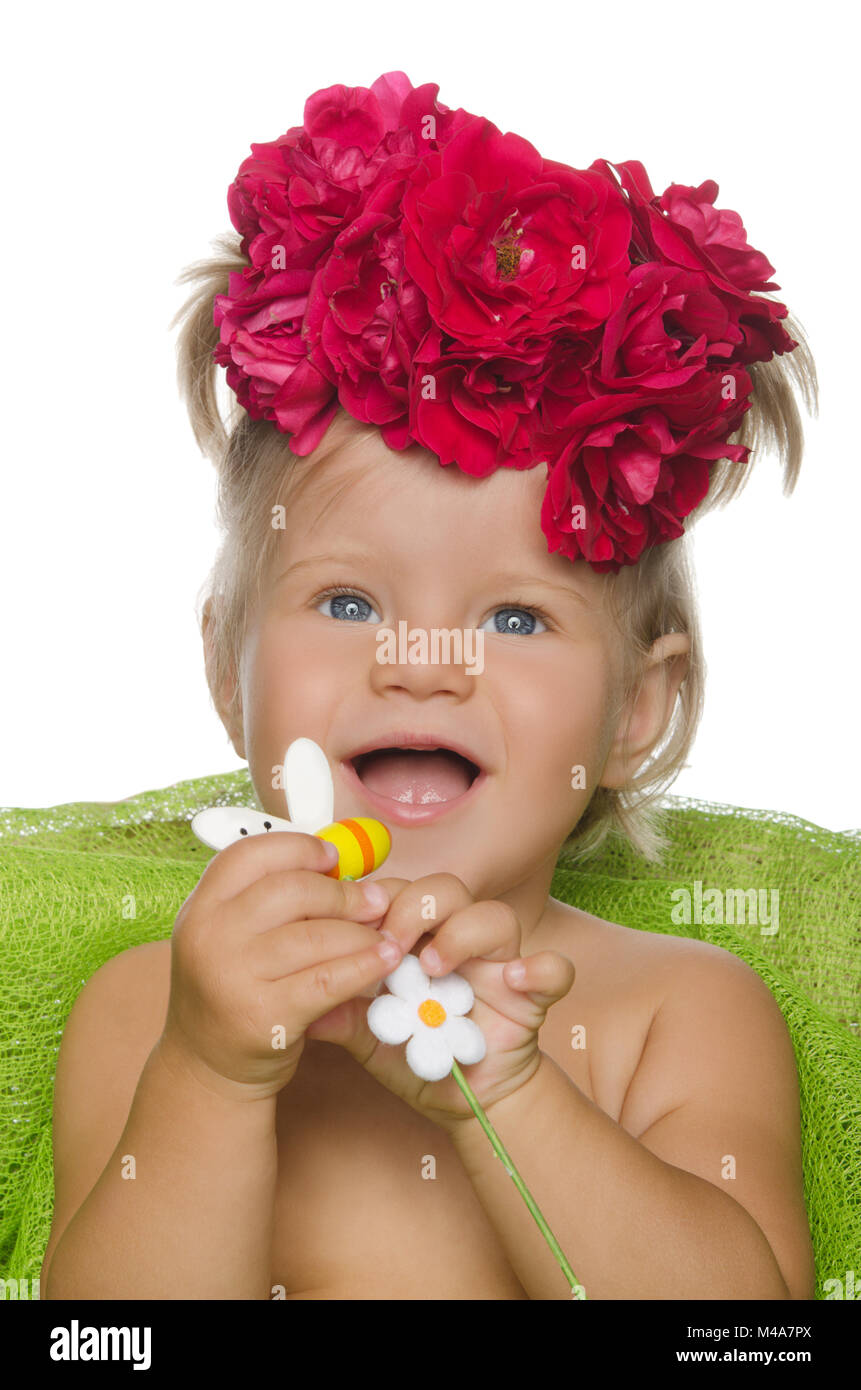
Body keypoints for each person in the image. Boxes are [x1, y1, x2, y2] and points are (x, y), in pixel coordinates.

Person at [40, 70, 818, 1300]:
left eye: (515, 616)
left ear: (637, 712)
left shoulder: (677, 1009)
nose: (420, 662)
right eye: (348, 603)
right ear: (225, 672)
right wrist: (211, 1072)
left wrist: (505, 1088)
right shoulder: (151, 1007)